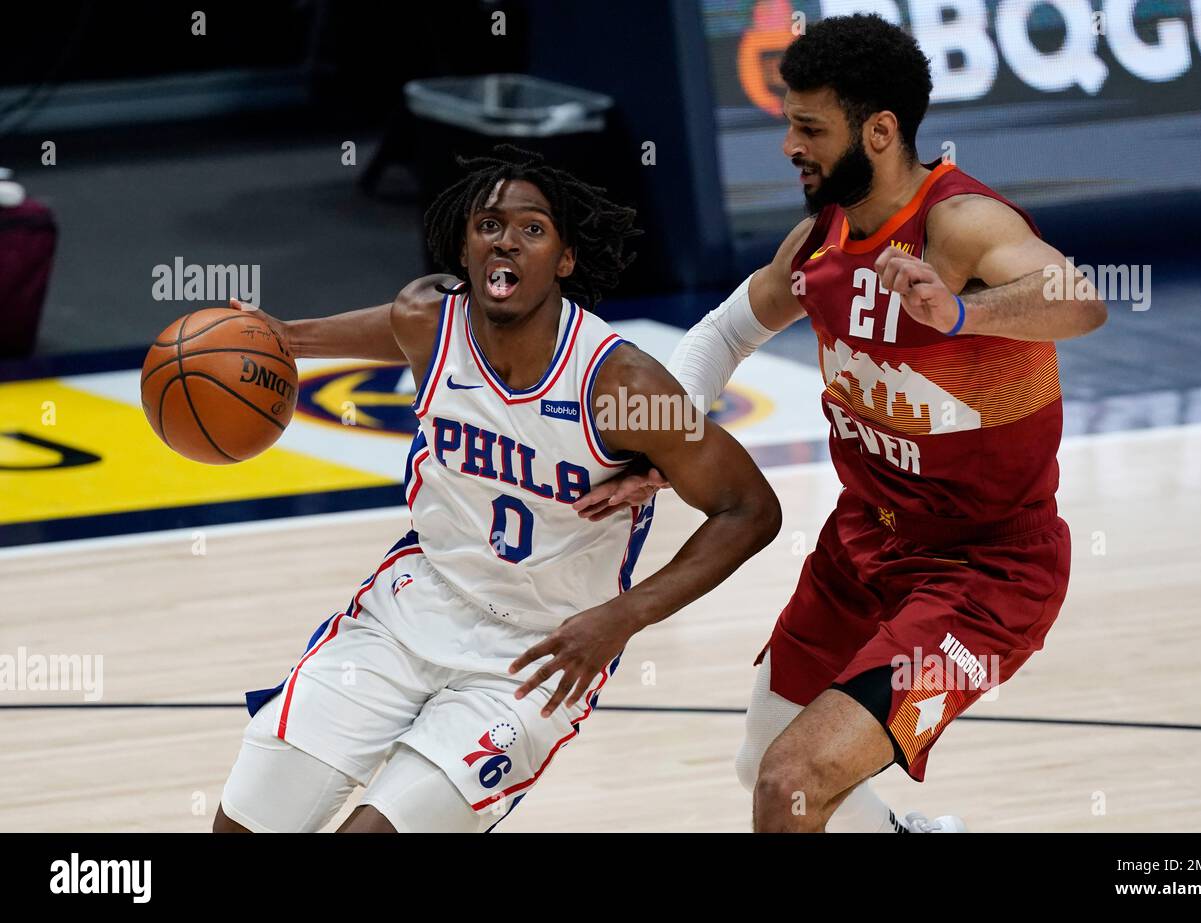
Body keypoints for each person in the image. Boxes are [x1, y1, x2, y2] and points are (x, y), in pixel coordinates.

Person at [575, 14, 1106, 832]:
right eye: (790, 121)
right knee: (764, 760)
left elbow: (1081, 298)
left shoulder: (956, 226)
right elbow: (722, 332)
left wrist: (961, 311)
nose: (788, 143)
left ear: (881, 131)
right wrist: (665, 440)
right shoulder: (821, 241)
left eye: (808, 126)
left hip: (984, 572)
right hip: (860, 549)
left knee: (790, 780)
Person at [212, 146, 781, 832]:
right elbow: (360, 332)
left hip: (536, 660)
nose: (506, 238)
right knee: (242, 827)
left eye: (532, 228)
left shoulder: (620, 386)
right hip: (408, 615)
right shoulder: (427, 319)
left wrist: (625, 616)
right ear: (464, 245)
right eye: (488, 224)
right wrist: (283, 337)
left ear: (565, 260)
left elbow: (750, 509)